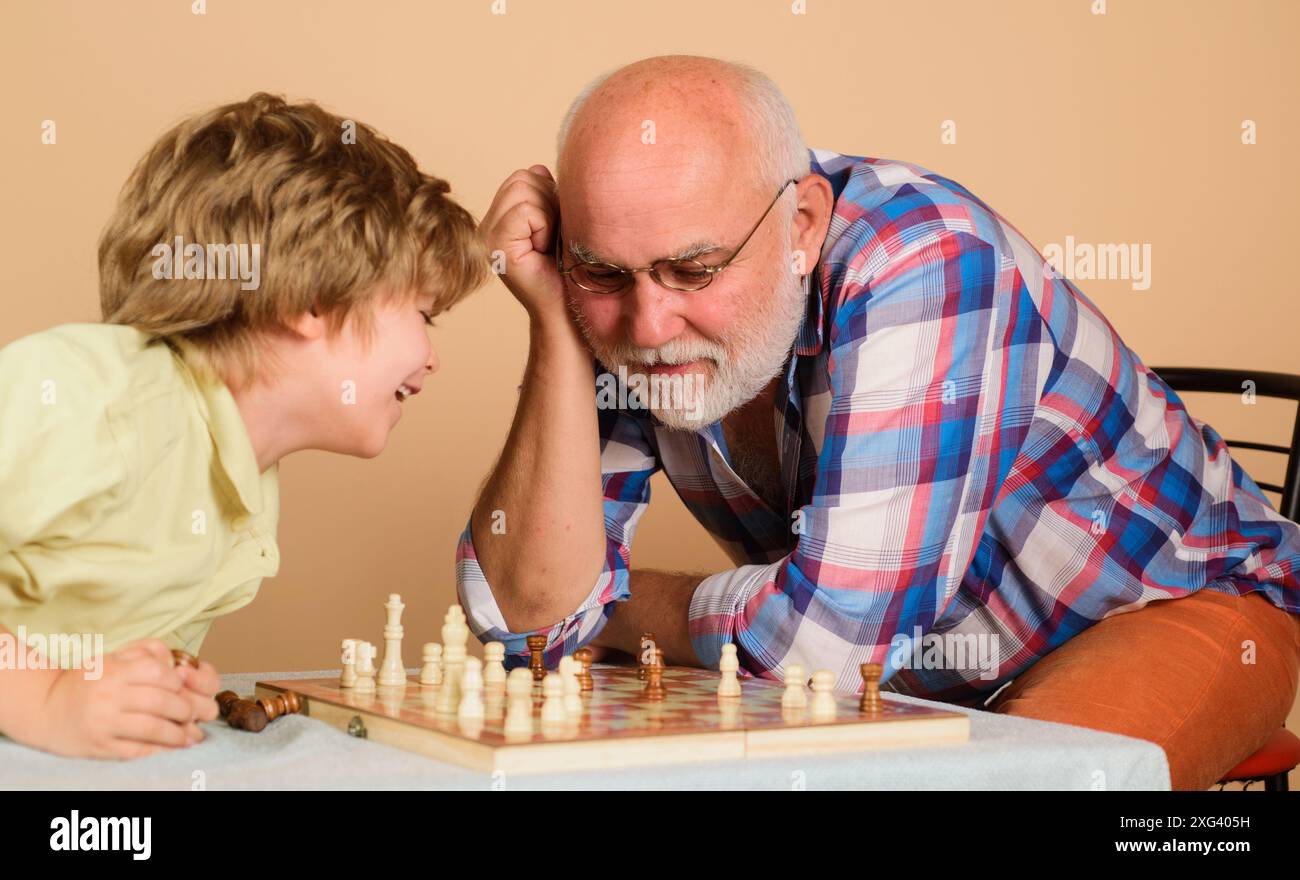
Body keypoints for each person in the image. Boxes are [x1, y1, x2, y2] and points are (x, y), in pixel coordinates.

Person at [459, 55, 1300, 789]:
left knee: (1036, 789)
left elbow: (828, 645)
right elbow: (524, 615)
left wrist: (617, 602)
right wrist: (556, 327)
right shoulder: (621, 299)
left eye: (695, 269)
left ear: (803, 227)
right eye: (602, 273)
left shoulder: (925, 260)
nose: (647, 326)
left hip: (1171, 605)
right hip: (912, 670)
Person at [0, 92, 488, 759]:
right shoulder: (97, 396)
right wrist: (42, 699)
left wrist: (155, 687)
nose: (433, 358)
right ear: (314, 298)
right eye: (425, 316)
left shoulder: (245, 487)